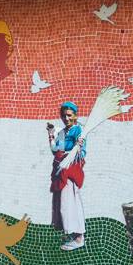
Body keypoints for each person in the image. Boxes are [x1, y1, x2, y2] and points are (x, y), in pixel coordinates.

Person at [47, 101, 86, 251]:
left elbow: (82, 153)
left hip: (70, 170)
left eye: (69, 115)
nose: (66, 118)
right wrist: (51, 134)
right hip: (60, 169)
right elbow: (56, 149)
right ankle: (71, 232)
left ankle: (79, 236)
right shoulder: (63, 132)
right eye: (64, 116)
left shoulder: (79, 130)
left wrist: (79, 147)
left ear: (75, 115)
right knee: (63, 202)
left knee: (71, 201)